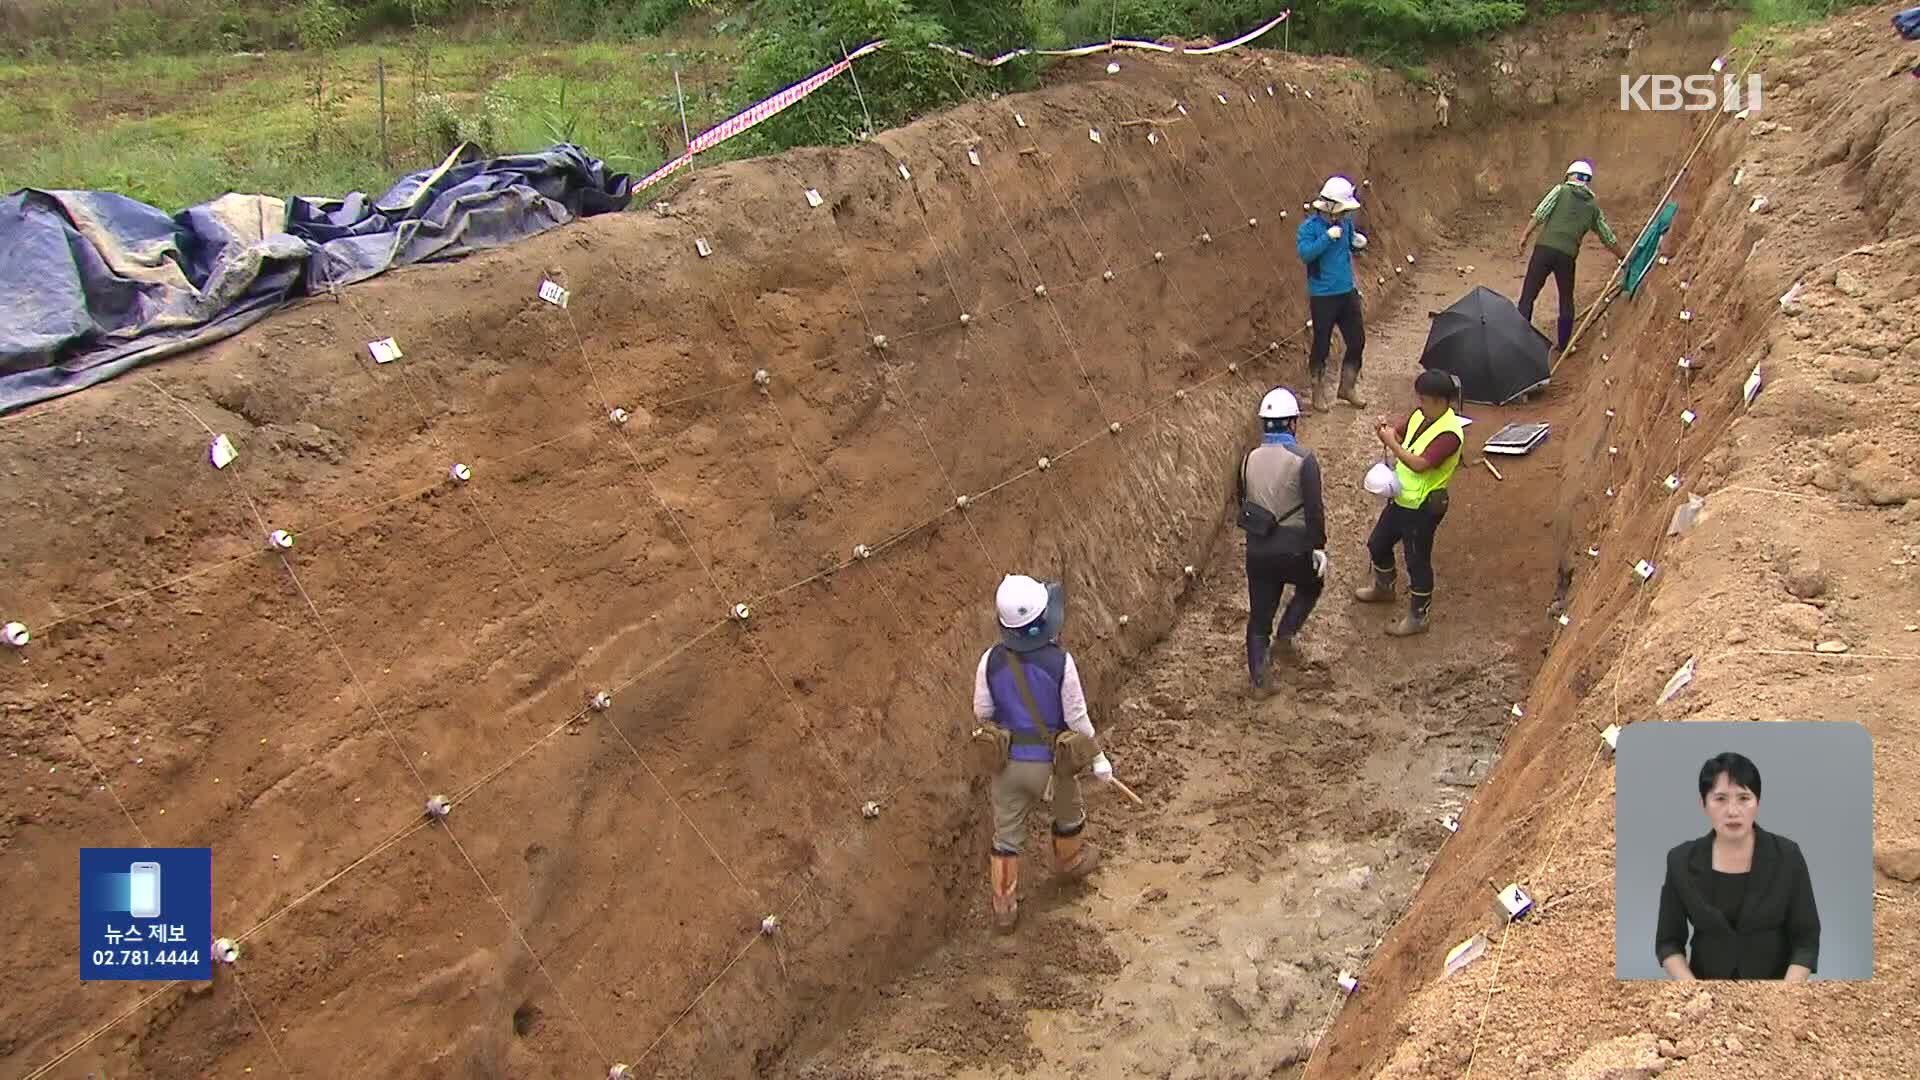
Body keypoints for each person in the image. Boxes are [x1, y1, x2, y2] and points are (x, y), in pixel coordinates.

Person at [972, 574, 1114, 933]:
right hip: (1052, 766)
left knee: (1005, 839)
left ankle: (1004, 908)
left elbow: (982, 711)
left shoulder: (989, 660)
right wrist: (1097, 758)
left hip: (1007, 767)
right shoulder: (1061, 663)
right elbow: (1076, 717)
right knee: (1069, 815)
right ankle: (1069, 861)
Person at [1654, 752, 1821, 981]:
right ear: (1703, 804)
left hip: (1776, 991)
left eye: (1744, 798)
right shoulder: (1680, 861)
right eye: (1720, 799)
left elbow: (1806, 939)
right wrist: (1693, 990)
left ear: (1758, 803)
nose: (1733, 811)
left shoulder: (1787, 856)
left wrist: (1785, 996)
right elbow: (1668, 941)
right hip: (1705, 990)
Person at [1353, 370, 1465, 636]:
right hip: (1401, 498)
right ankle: (1384, 587)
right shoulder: (1420, 415)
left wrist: (1391, 444)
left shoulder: (1450, 434)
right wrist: (1385, 431)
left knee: (1417, 560)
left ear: (1441, 401)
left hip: (1424, 506)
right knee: (1377, 543)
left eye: (1424, 399)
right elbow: (1400, 433)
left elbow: (1420, 464)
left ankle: (1419, 616)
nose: (1420, 403)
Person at [1235, 386, 1327, 692]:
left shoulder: (1248, 459)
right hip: (1294, 548)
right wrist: (1318, 547)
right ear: (1292, 423)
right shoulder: (1304, 460)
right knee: (1312, 584)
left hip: (1258, 550)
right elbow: (1314, 511)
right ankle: (1286, 637)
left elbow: (1243, 502)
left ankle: (1260, 679)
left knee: (1259, 617)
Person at [1515, 160, 1628, 354]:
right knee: (1566, 299)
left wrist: (1525, 236)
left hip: (1544, 249)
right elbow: (1607, 236)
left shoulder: (1561, 191)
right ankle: (1565, 344)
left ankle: (1517, 337)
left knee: (1529, 294)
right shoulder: (1593, 207)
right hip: (1567, 256)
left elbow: (1541, 213)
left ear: (1570, 176)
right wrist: (1623, 257)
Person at [1295, 175, 1370, 413]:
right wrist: (1326, 238)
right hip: (1323, 296)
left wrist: (1355, 242)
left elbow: (1347, 244)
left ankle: (1347, 386)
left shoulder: (1345, 224)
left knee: (1357, 340)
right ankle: (1317, 390)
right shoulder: (1308, 229)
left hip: (1346, 292)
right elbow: (1305, 254)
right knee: (1321, 345)